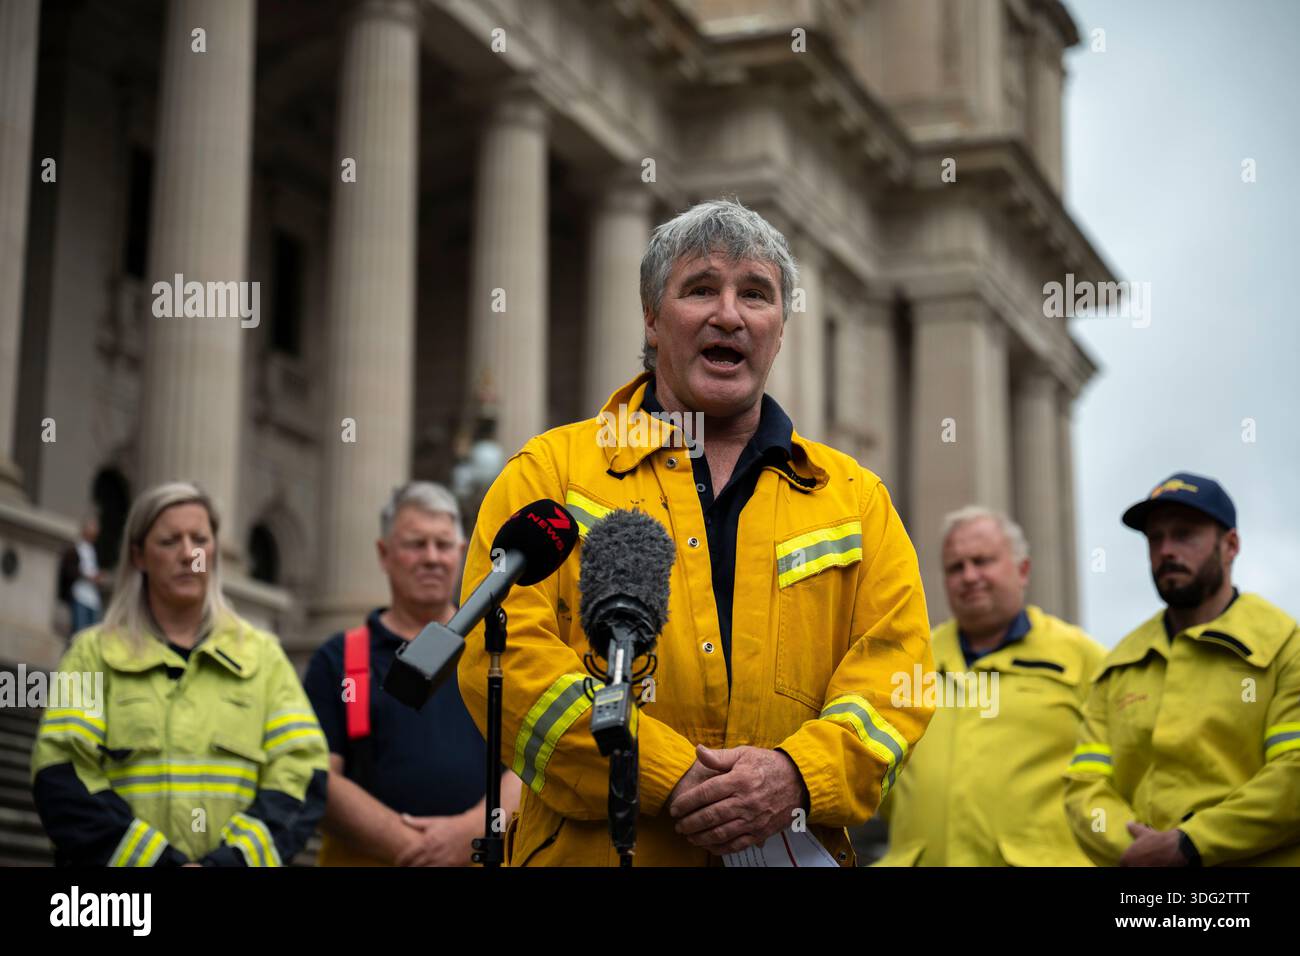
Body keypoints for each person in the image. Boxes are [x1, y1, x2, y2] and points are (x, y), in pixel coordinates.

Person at [457, 198, 934, 866]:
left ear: (781, 329)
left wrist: (795, 777)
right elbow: (499, 658)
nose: (730, 314)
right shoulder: (550, 474)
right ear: (652, 320)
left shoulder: (857, 502)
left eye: (756, 295)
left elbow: (897, 682)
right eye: (701, 288)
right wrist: (662, 773)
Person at [31, 481, 328, 865]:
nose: (189, 555)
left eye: (200, 540)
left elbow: (301, 771)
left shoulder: (265, 657)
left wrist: (232, 862)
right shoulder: (91, 654)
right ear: (138, 555)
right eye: (170, 541)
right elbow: (62, 773)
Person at [1065, 472, 1300, 866]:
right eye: (1155, 538)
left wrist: (1191, 844)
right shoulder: (1119, 664)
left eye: (1184, 534)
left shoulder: (1284, 647)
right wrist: (1140, 852)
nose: (1166, 550)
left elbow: (1293, 773)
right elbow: (1084, 787)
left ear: (1231, 545)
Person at [304, 482, 521, 866]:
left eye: (443, 544)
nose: (432, 558)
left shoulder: (495, 652)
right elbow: (316, 775)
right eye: (416, 544)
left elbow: (528, 765)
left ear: (460, 552)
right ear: (384, 553)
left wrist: (467, 835)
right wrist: (412, 847)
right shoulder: (339, 660)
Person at [875, 507, 1104, 865]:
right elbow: (881, 774)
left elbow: (1124, 768)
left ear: (1023, 570)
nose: (969, 576)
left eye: (982, 561)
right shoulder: (913, 660)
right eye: (956, 567)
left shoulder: (1081, 658)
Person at [60, 514, 106, 635]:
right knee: (79, 634)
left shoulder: (93, 550)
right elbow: (69, 570)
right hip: (80, 595)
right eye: (92, 527)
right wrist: (87, 576)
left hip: (93, 599)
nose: (95, 531)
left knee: (90, 635)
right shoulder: (75, 548)